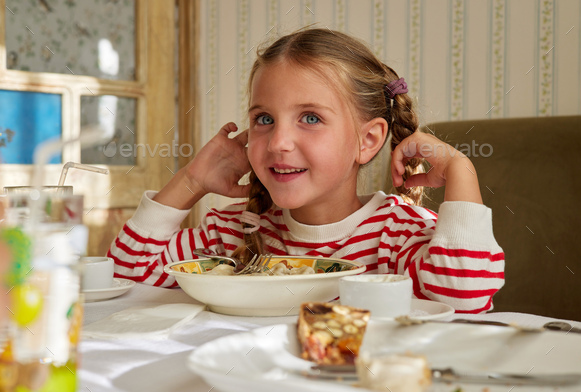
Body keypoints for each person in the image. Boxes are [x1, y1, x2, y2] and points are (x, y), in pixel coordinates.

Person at [109, 28, 504, 313]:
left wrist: (460, 168)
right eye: (264, 119)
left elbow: (464, 295)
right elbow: (124, 276)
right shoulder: (234, 231)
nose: (279, 141)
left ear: (367, 141)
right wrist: (191, 181)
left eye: (310, 118)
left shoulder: (397, 234)